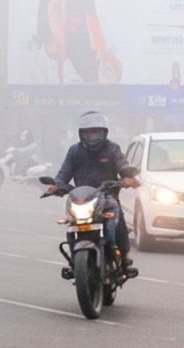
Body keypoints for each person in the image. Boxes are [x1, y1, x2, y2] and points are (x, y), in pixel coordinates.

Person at [46, 111, 140, 272]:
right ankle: (74, 258)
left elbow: (123, 166)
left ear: (104, 132)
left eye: (96, 132)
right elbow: (63, 174)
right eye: (87, 132)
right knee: (71, 222)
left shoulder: (112, 149)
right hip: (81, 197)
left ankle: (124, 257)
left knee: (118, 223)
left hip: (107, 196)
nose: (92, 136)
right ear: (81, 134)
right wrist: (56, 186)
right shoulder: (74, 151)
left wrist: (128, 178)